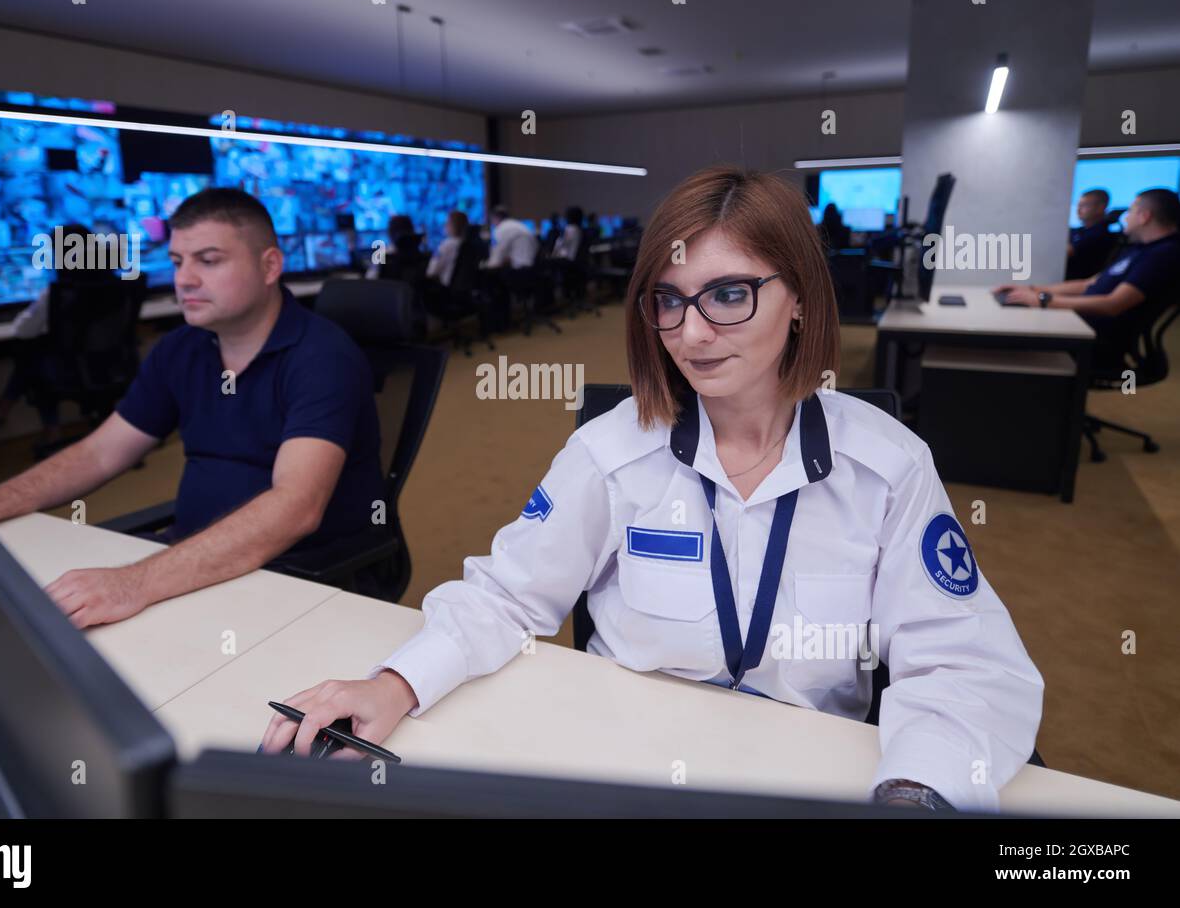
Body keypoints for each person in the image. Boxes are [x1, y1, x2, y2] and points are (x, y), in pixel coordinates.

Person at [261, 167, 1044, 813]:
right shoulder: (611, 452)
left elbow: (962, 663)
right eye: (668, 300)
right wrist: (394, 682)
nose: (693, 333)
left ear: (800, 297)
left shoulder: (887, 466)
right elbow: (507, 596)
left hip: (806, 780)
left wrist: (917, 792)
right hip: (624, 771)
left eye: (729, 295)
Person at [0, 188, 388, 624]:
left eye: (208, 261)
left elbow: (294, 508)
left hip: (303, 576)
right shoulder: (182, 348)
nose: (184, 279)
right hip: (195, 561)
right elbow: (102, 453)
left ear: (270, 265)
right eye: (176, 262)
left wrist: (135, 583)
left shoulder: (323, 357)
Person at [995, 188, 1180, 370]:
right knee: (1009, 321)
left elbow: (1113, 304)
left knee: (1009, 336)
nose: (1126, 217)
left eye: (1131, 211)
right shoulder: (1139, 249)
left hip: (1096, 338)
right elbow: (1089, 283)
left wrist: (1043, 301)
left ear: (1144, 216)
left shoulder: (1162, 255)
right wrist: (1033, 289)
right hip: (1080, 321)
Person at [0, 223, 110, 444]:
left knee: (31, 355)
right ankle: (5, 408)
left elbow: (22, 331)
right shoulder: (113, 285)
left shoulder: (59, 292)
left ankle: (40, 425)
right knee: (37, 354)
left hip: (72, 370)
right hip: (110, 364)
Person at [1065, 189, 1116, 281]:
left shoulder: (1099, 234)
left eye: (1084, 205)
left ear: (1100, 207)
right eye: (1078, 205)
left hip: (1078, 284)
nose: (1078, 209)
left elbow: (1065, 252)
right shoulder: (1079, 231)